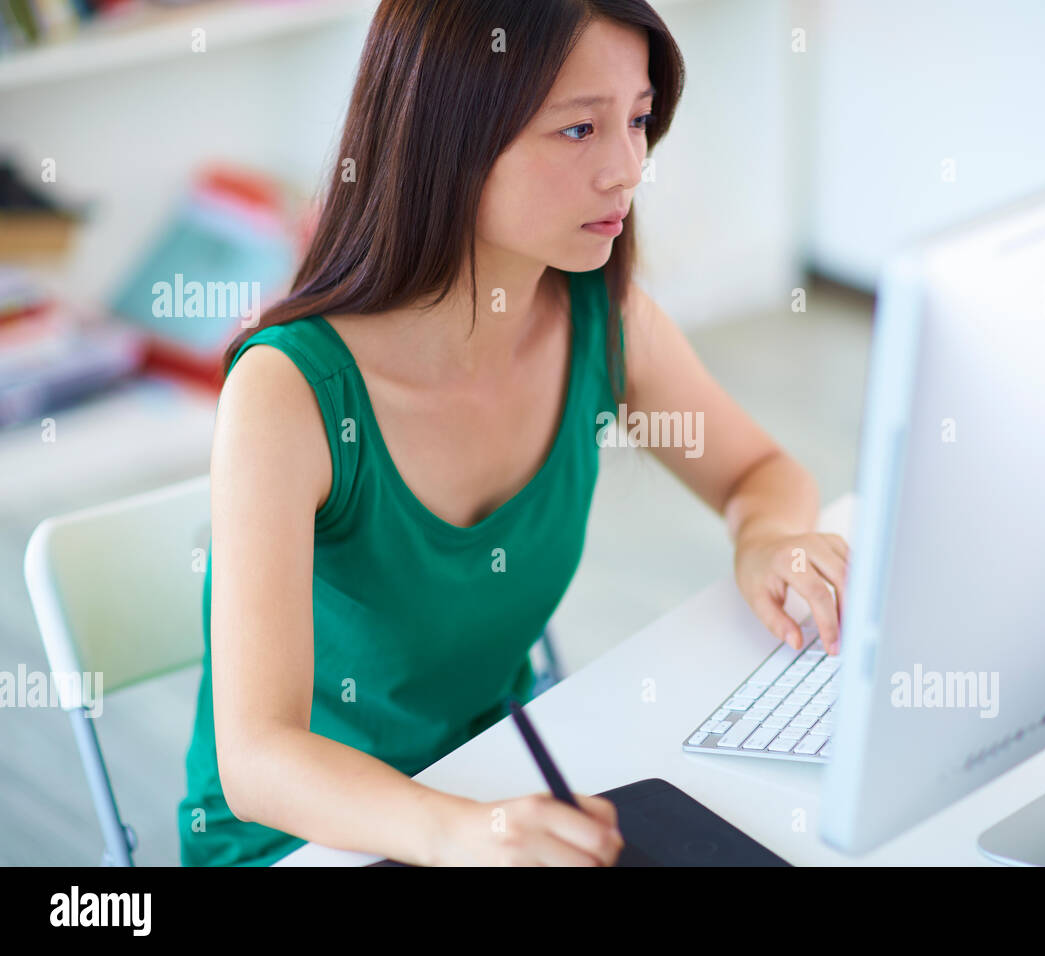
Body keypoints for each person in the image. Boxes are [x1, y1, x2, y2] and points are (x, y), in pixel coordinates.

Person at [178, 0, 848, 867]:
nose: (627, 169)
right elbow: (258, 762)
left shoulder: (603, 322)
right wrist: (461, 833)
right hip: (304, 842)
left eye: (638, 120)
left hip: (494, 791)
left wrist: (769, 537)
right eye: (578, 131)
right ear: (445, 138)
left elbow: (756, 468)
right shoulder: (289, 392)